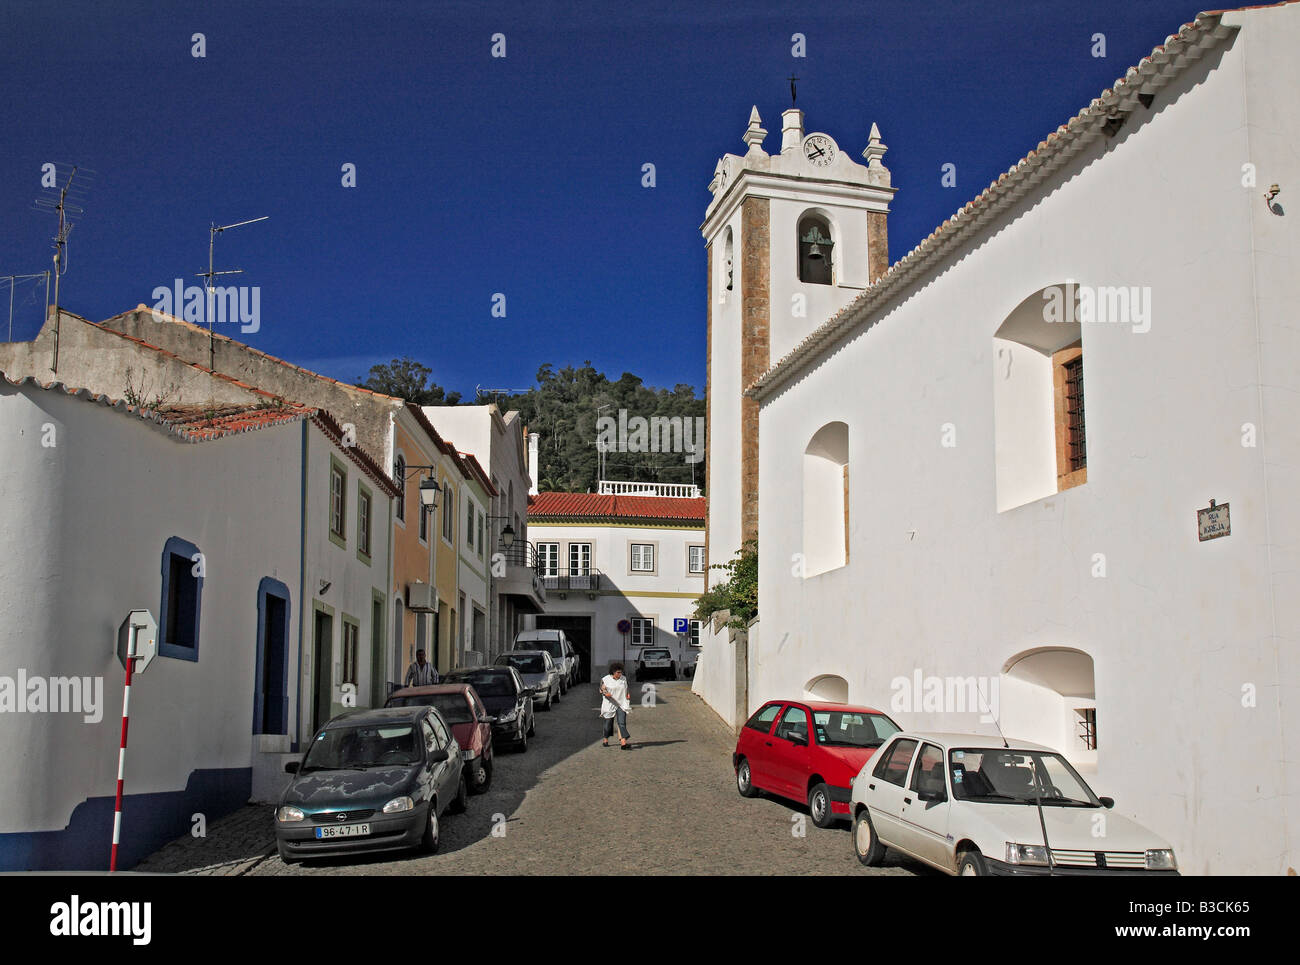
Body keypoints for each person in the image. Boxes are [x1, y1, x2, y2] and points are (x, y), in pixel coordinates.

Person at [599, 661, 632, 749]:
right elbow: (601, 689)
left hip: (621, 703)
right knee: (608, 723)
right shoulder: (605, 679)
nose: (620, 674)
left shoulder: (623, 679)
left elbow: (626, 688)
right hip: (609, 703)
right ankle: (605, 739)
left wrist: (628, 694)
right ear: (613, 672)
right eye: (618, 672)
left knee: (622, 723)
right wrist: (606, 693)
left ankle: (623, 743)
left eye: (621, 672)